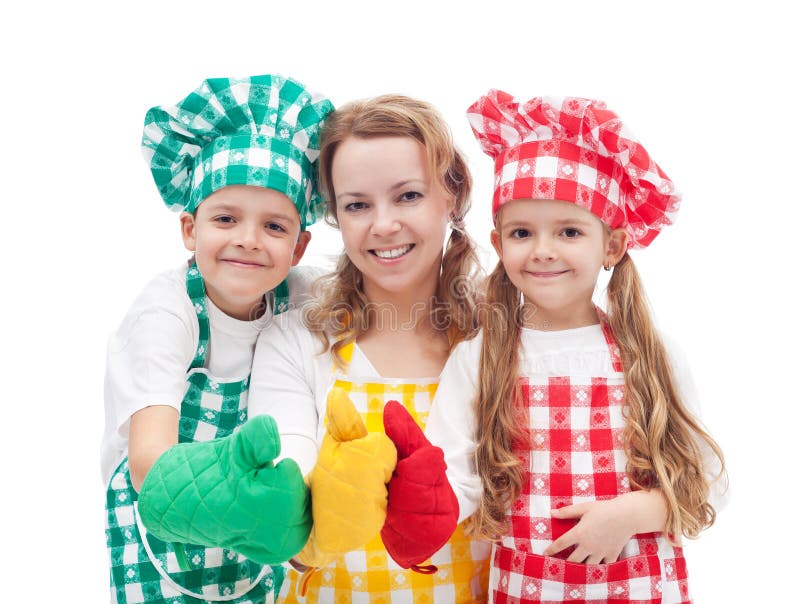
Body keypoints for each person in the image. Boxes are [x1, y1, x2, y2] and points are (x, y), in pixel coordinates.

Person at [424, 91, 728, 603]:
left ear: (611, 245)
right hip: (525, 590)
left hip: (641, 589)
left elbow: (709, 482)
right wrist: (418, 517)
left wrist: (632, 513)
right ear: (499, 244)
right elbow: (451, 474)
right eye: (522, 232)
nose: (543, 250)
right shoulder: (480, 357)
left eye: (569, 231)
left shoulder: (653, 355)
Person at [249, 94, 492, 602]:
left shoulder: (493, 339)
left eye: (407, 196)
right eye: (358, 204)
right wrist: (293, 517)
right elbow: (285, 474)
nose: (383, 225)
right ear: (336, 215)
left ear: (450, 196)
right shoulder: (298, 342)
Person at [101, 74, 333, 604]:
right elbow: (149, 460)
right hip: (158, 513)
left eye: (274, 227)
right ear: (190, 229)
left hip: (250, 512)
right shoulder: (168, 311)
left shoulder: (299, 296)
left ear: (299, 248)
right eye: (226, 218)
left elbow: (377, 303)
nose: (248, 240)